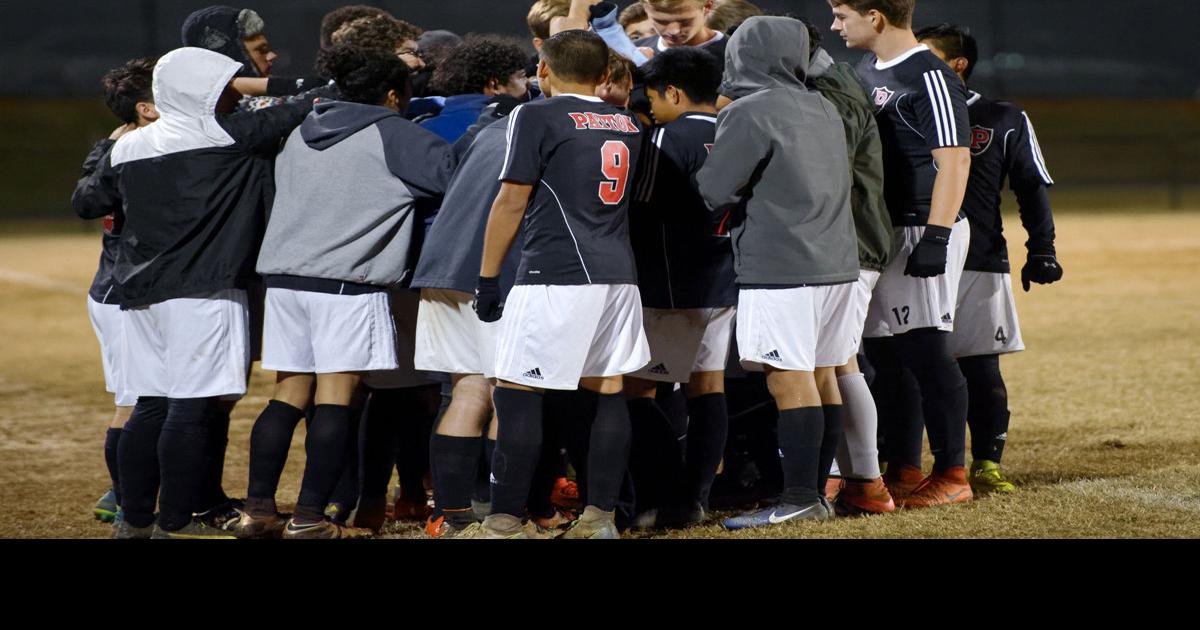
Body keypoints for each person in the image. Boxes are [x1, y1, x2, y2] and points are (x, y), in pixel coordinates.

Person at [97, 47, 317, 539]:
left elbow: (91, 197)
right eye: (222, 84)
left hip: (140, 292)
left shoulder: (131, 145)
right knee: (191, 408)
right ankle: (175, 524)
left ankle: (133, 521)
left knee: (151, 404)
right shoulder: (226, 135)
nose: (230, 92)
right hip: (202, 291)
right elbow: (317, 100)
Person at [237, 45, 454, 539]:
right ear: (393, 95)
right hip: (345, 285)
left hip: (286, 283)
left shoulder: (298, 130)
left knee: (289, 393)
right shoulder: (393, 130)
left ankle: (258, 511)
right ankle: (311, 518)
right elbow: (452, 176)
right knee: (337, 396)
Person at [468, 29, 647, 539]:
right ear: (605, 75)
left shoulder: (535, 114)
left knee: (518, 391)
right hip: (618, 275)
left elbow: (511, 200)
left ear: (543, 69)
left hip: (557, 274)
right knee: (608, 390)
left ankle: (502, 522)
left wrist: (486, 278)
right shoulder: (627, 121)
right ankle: (601, 518)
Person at [697, 16, 859, 530]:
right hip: (837, 263)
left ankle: (800, 497)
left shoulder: (750, 110)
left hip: (781, 264)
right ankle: (816, 493)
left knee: (789, 381)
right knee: (824, 373)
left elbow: (713, 190)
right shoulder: (823, 105)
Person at [829, 0, 975, 508]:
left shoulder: (929, 74)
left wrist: (936, 236)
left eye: (841, 14)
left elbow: (955, 159)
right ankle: (904, 466)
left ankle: (953, 473)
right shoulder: (868, 69)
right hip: (884, 227)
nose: (834, 25)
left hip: (920, 225)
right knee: (887, 355)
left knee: (927, 350)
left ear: (876, 17)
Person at [916, 22, 1062, 494]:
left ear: (957, 64)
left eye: (929, 56)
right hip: (912, 259)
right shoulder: (902, 110)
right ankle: (901, 464)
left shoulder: (1002, 117)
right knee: (904, 367)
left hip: (978, 261)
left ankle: (985, 463)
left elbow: (1031, 186)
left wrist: (1042, 248)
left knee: (981, 368)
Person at [791, 19, 897, 515]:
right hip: (843, 240)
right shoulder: (829, 82)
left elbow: (828, 167)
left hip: (849, 241)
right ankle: (854, 480)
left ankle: (862, 482)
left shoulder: (832, 92)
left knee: (837, 360)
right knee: (832, 359)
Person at [623, 46, 731, 529]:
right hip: (724, 278)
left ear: (673, 91)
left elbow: (642, 209)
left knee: (638, 391)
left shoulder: (669, 137)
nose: (650, 107)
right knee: (709, 386)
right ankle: (697, 496)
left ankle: (665, 500)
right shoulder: (736, 130)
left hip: (672, 282)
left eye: (653, 96)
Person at [71, 56, 159, 524]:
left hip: (119, 289)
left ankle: (126, 492)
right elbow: (86, 201)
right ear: (145, 108)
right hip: (120, 294)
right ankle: (126, 499)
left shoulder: (120, 143)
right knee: (133, 404)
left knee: (144, 400)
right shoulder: (132, 149)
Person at [420, 36, 531, 143]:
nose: (528, 83)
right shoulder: (511, 127)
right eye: (522, 76)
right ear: (495, 85)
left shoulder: (422, 128)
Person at [636, 0, 726, 60]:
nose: (674, 31)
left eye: (685, 21)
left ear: (707, 6)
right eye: (661, 21)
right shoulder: (630, 53)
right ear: (645, 9)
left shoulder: (734, 54)